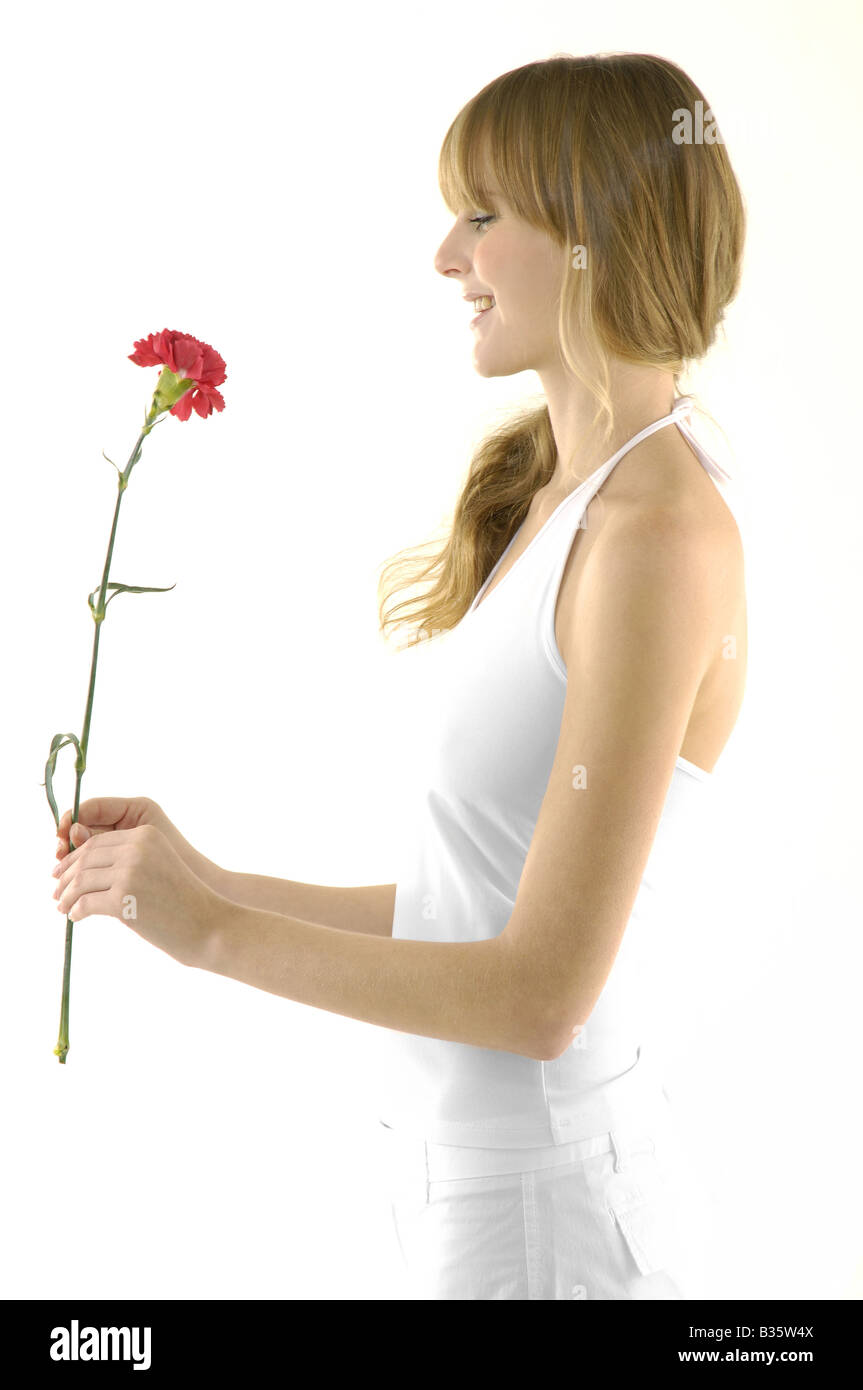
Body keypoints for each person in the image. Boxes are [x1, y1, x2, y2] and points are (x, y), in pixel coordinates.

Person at [51, 51, 747, 1300]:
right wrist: (198, 876)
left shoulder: (654, 533)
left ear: (593, 230)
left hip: (544, 1221)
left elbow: (540, 996)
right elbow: (467, 902)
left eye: (482, 216)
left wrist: (210, 930)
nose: (444, 256)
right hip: (472, 1193)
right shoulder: (563, 502)